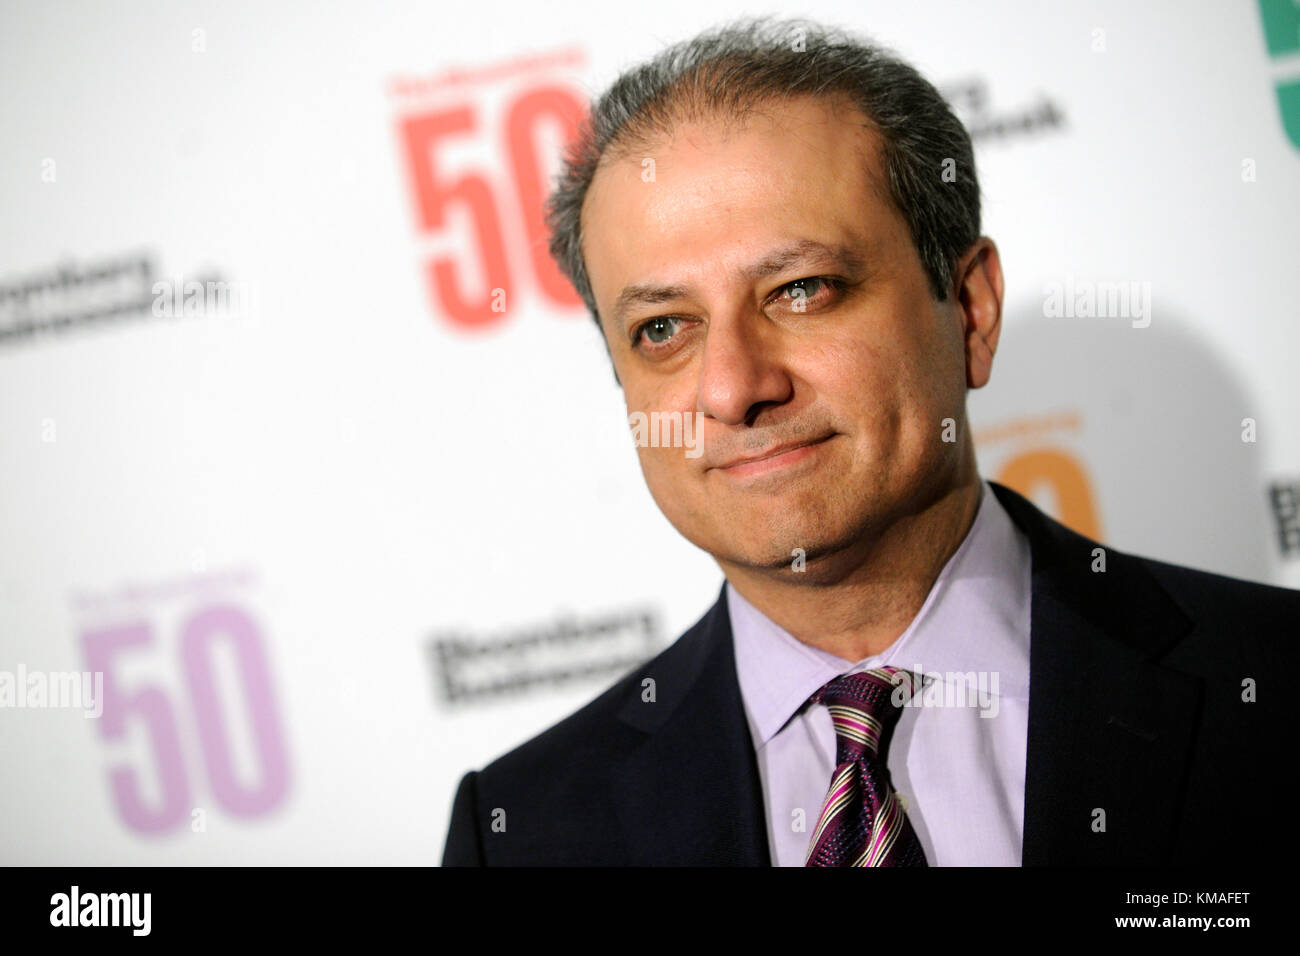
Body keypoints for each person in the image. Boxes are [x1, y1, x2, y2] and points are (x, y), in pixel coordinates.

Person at [441, 16, 1296, 866]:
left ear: (970, 310)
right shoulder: (526, 831)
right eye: (664, 328)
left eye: (802, 290)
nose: (735, 388)